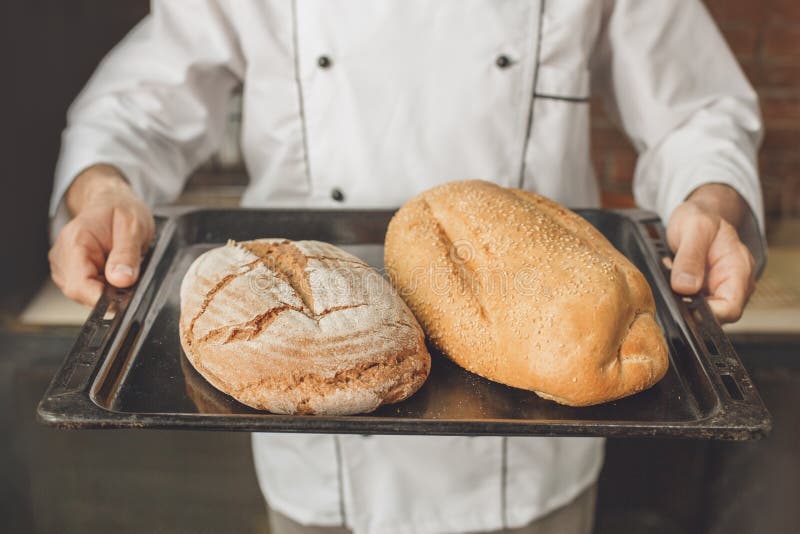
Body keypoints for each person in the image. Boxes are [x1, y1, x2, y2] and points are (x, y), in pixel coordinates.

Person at [48, 1, 764, 533]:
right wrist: (103, 187)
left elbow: (696, 107)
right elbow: (140, 103)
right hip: (313, 450)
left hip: (535, 459)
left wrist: (712, 200)